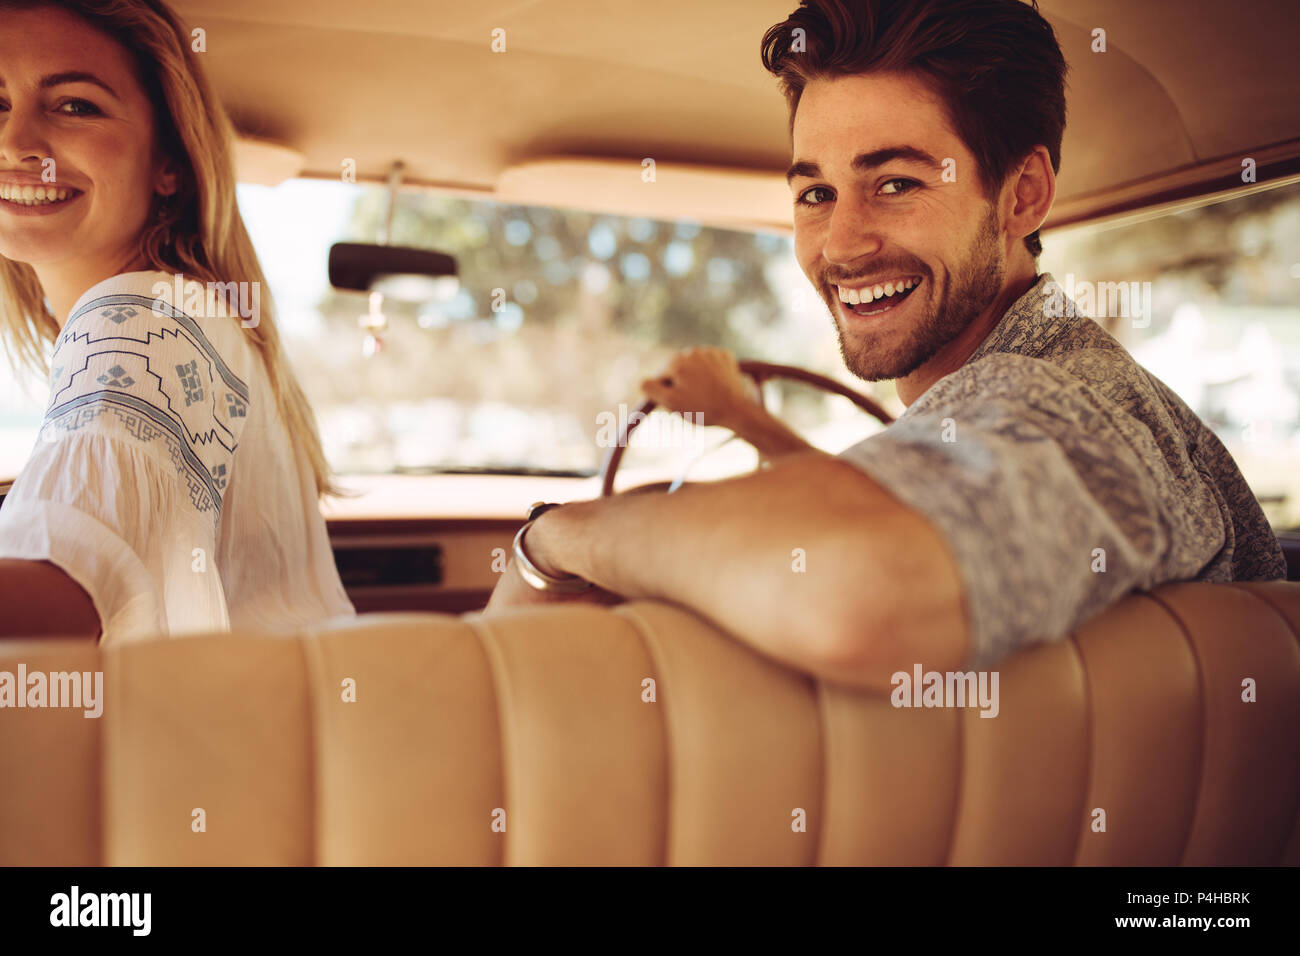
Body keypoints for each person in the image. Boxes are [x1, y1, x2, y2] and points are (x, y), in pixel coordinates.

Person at [483, 0, 1287, 688]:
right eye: (815, 194)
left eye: (896, 183)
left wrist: (556, 540)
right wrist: (747, 421)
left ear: (1024, 195)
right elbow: (918, 507)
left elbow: (860, 585)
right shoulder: (1001, 400)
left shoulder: (1071, 399)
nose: (840, 245)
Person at [0, 0, 354, 643]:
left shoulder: (144, 323)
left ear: (169, 164)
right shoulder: (194, 317)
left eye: (75, 105)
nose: (16, 142)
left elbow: (63, 591)